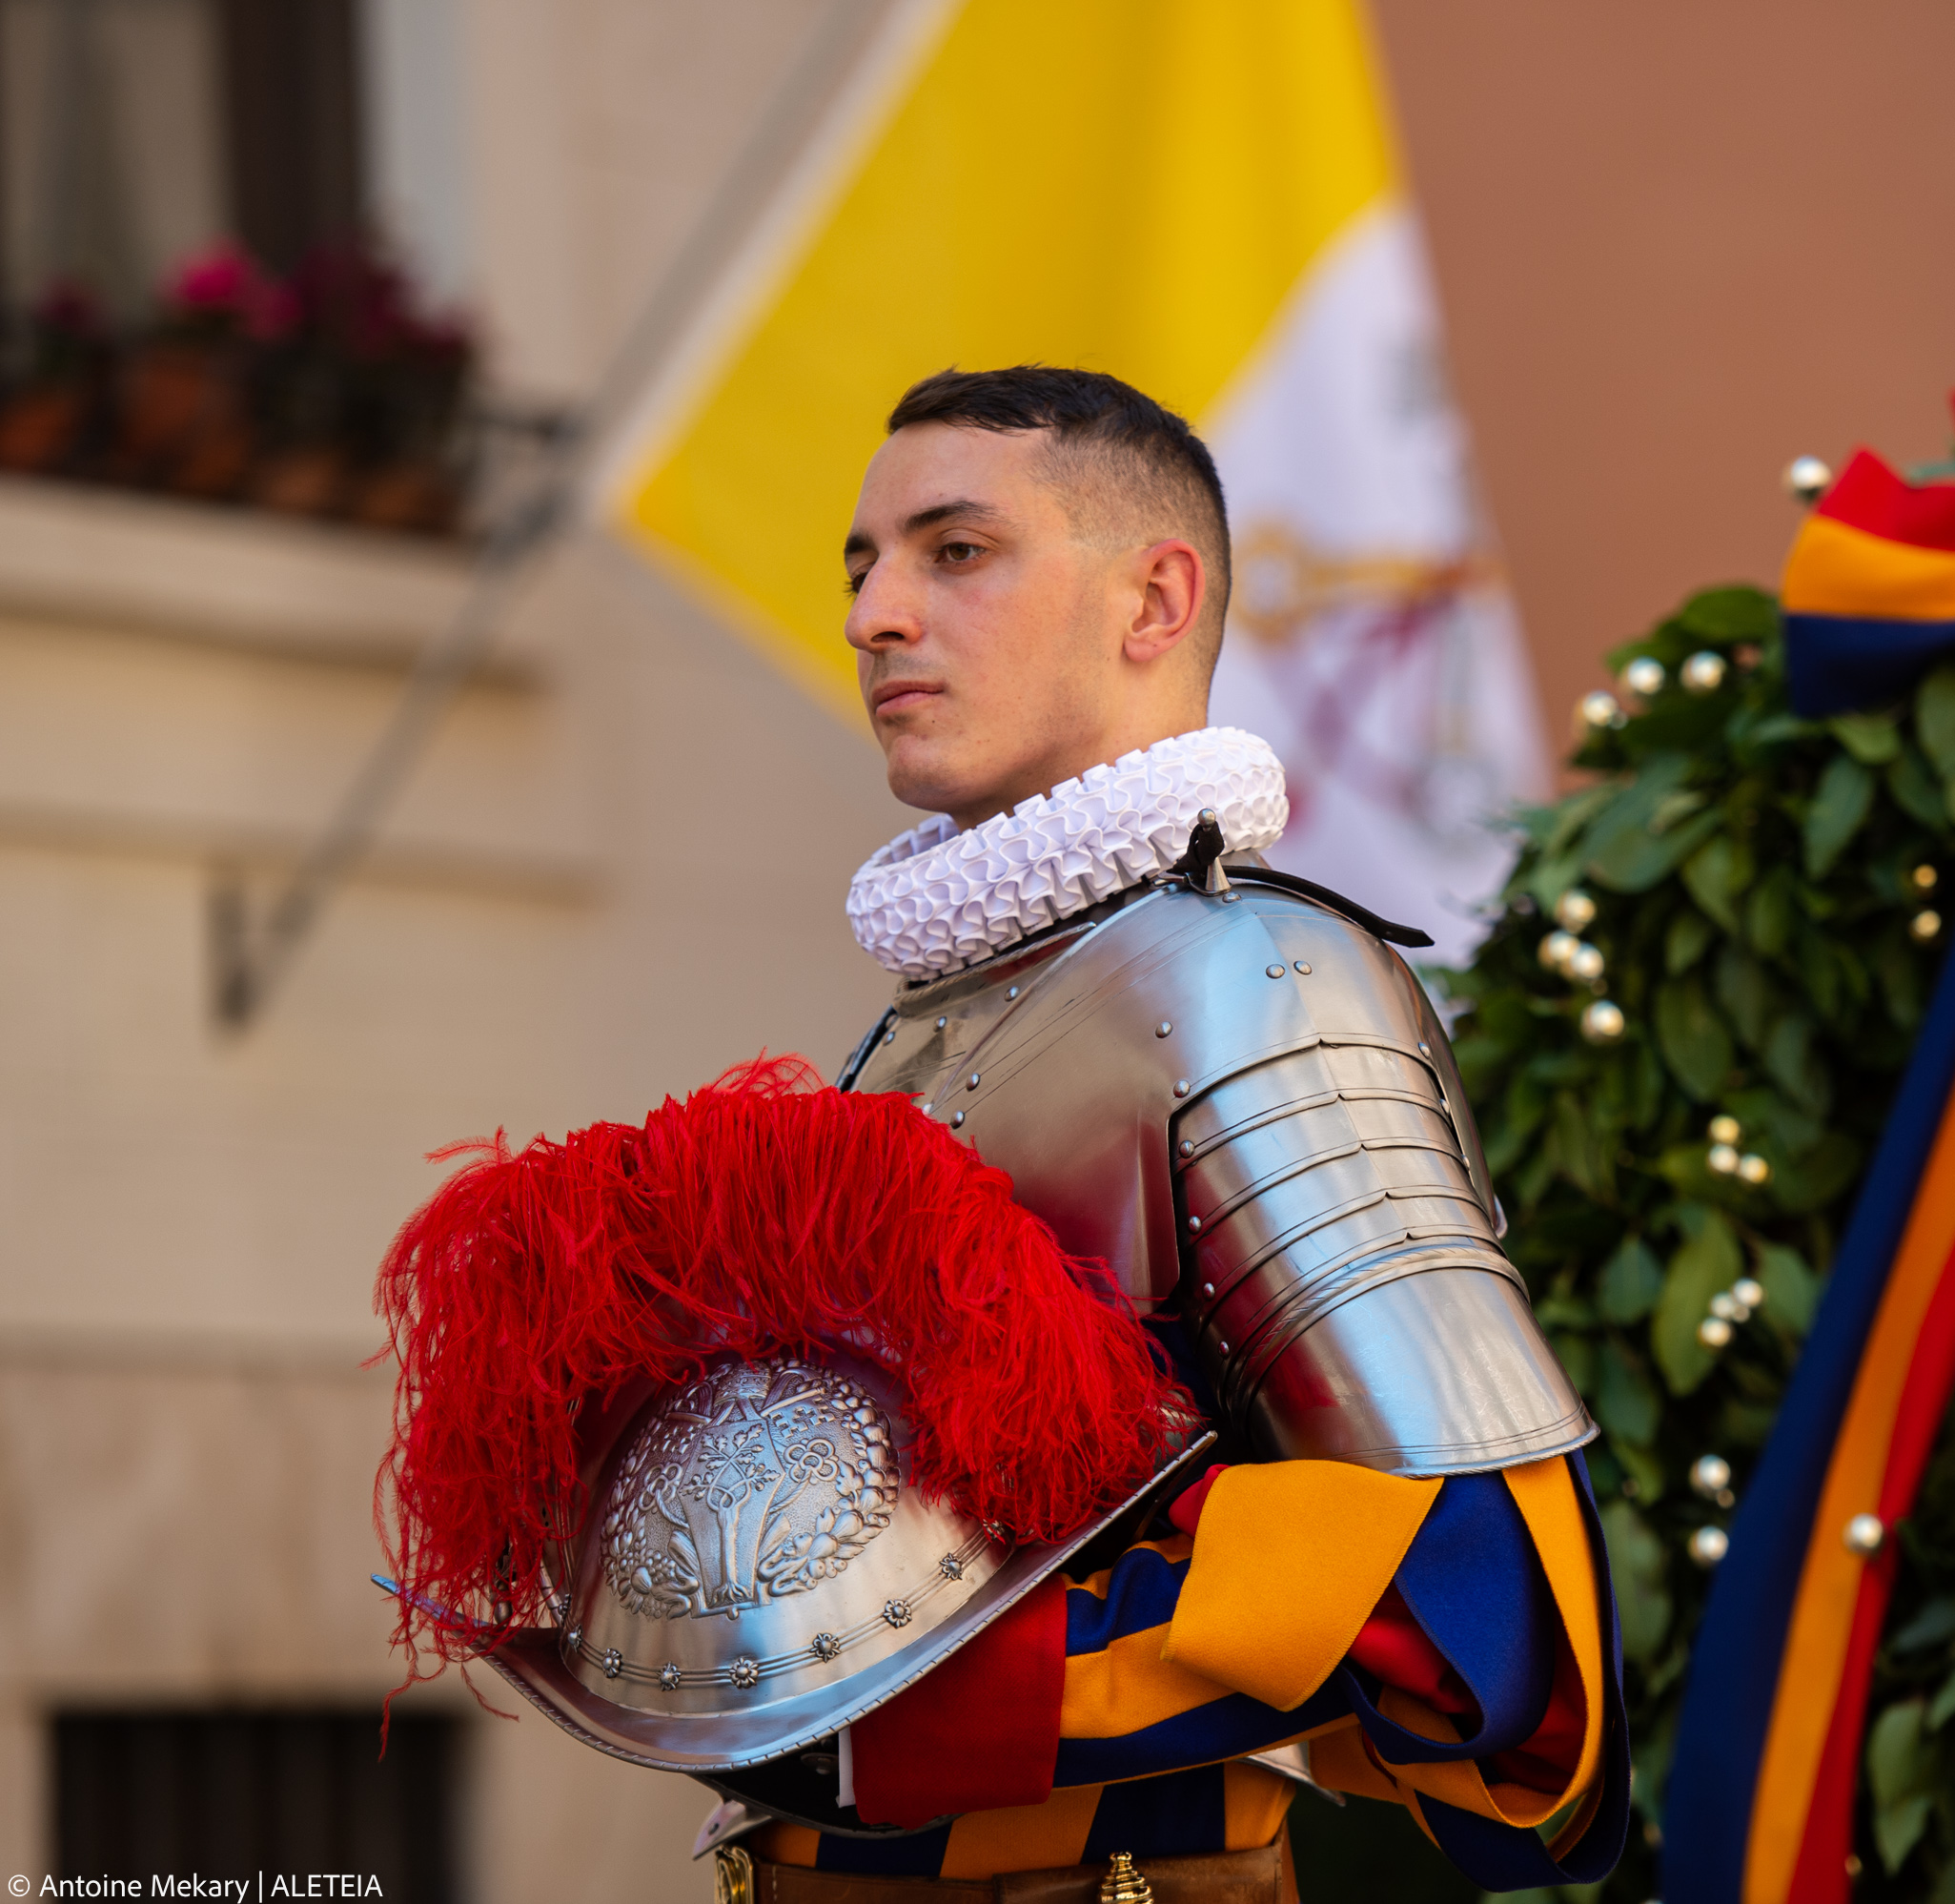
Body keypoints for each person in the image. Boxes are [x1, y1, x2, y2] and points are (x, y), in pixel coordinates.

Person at [407, 367, 1626, 1904]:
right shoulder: (948, 1007)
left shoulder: (1248, 979)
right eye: (861, 565)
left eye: (954, 550)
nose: (872, 615)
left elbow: (1481, 1595)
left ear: (1154, 599)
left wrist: (936, 1701)